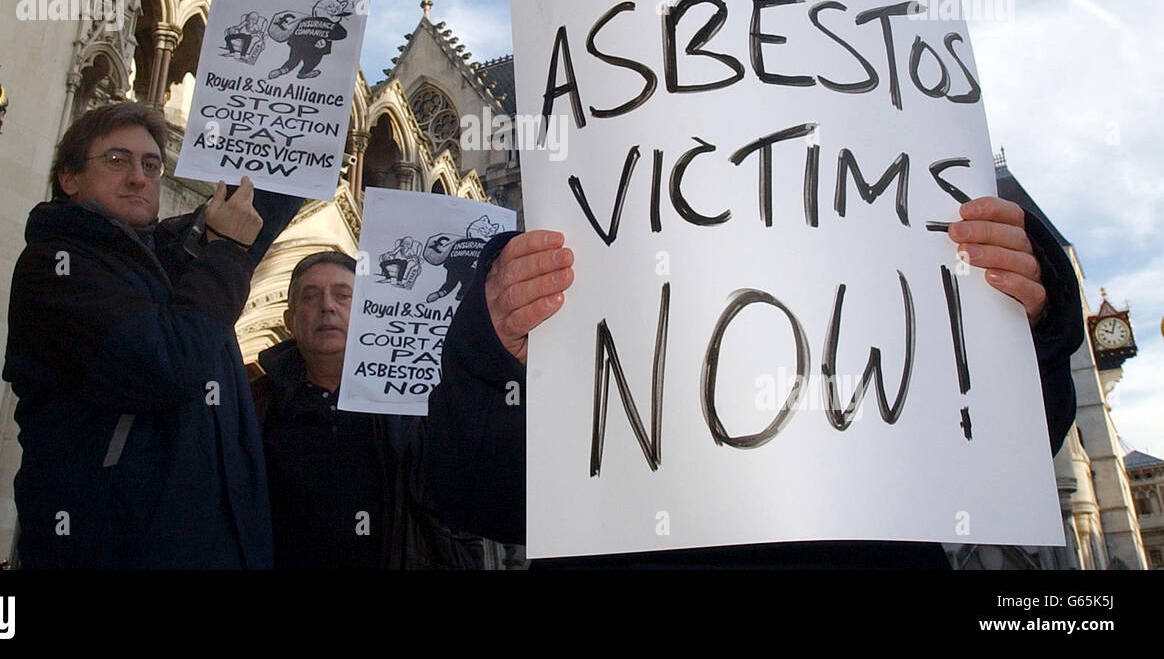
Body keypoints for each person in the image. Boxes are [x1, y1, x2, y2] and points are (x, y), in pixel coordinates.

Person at [424, 196, 1086, 567]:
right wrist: (493, 349)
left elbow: (1017, 449)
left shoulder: (907, 194)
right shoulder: (531, 252)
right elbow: (471, 495)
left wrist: (1023, 321)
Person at [4, 0, 301, 568]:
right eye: (116, 160)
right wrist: (224, 253)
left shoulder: (167, 255)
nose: (139, 176)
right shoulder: (56, 266)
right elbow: (165, 364)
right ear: (69, 179)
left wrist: (278, 15)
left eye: (150, 164)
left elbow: (262, 190)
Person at [252, 251, 500, 569]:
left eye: (343, 295)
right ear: (290, 321)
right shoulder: (254, 407)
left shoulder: (417, 407)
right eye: (310, 297)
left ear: (368, 311)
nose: (327, 306)